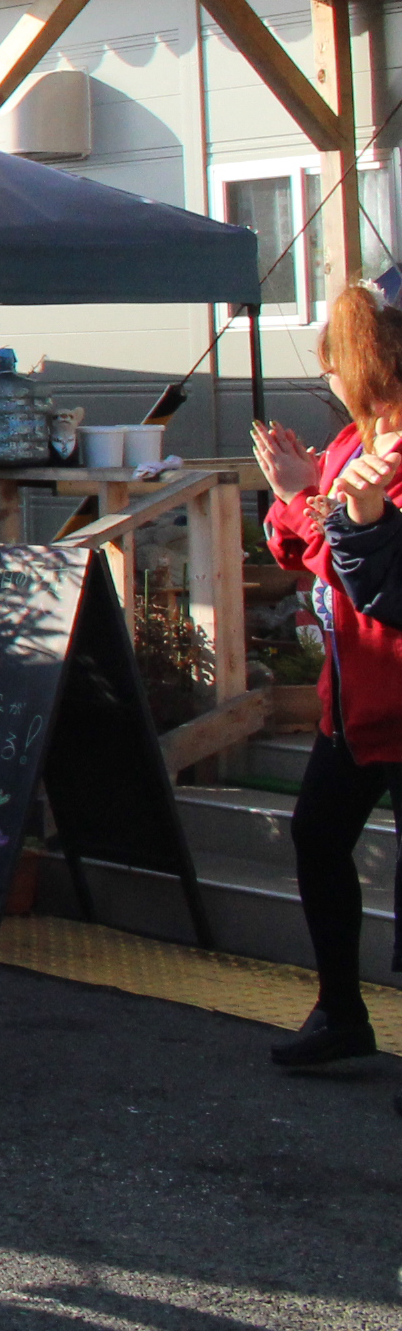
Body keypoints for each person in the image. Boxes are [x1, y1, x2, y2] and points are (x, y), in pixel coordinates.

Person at [254, 280, 402, 1070]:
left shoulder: (388, 456)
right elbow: (299, 549)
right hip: (350, 701)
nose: (329, 377)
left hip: (392, 695)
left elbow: (365, 573)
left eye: (335, 362)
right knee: (316, 834)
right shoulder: (350, 444)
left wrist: (305, 502)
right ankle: (340, 1011)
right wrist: (295, 497)